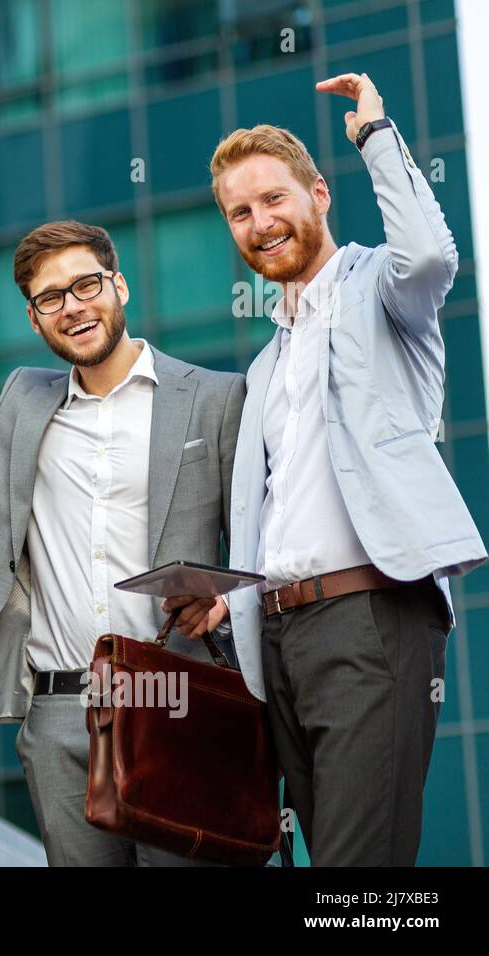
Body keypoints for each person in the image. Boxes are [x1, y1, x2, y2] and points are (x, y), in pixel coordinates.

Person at [0, 216, 245, 865]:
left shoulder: (215, 399)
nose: (73, 306)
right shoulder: (18, 407)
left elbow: (263, 532)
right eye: (51, 298)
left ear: (119, 286)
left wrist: (228, 603)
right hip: (61, 711)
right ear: (34, 320)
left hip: (177, 697)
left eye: (86, 285)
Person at [181, 72, 485, 865]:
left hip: (372, 616)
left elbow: (428, 254)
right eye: (239, 213)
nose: (260, 223)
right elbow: (283, 505)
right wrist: (234, 597)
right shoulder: (263, 366)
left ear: (318, 194)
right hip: (278, 639)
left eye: (275, 199)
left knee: (360, 874)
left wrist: (375, 136)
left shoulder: (382, 295)